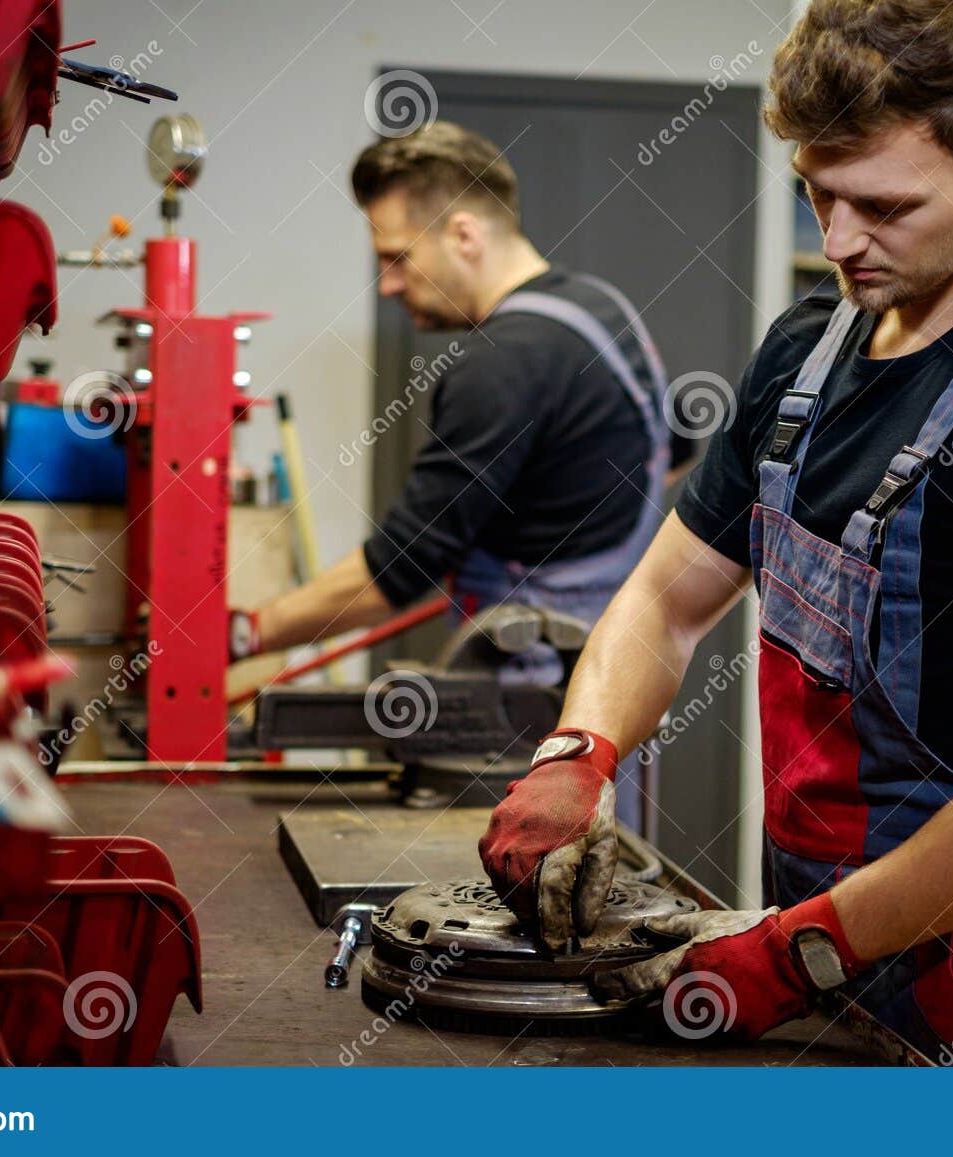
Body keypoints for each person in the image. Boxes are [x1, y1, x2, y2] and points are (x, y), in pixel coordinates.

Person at [478, 0, 953, 1066]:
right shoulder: (805, 353)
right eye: (818, 193)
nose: (840, 241)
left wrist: (805, 950)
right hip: (800, 933)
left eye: (884, 205)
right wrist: (577, 753)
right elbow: (668, 598)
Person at [233, 121, 688, 826]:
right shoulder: (599, 308)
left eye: (396, 258)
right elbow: (672, 446)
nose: (386, 284)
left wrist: (240, 636)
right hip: (608, 691)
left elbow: (399, 569)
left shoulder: (499, 362)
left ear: (465, 234)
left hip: (530, 714)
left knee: (528, 894)